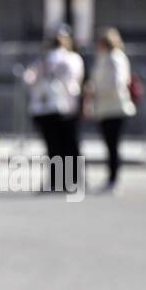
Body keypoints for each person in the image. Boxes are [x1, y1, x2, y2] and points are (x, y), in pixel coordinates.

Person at [23, 26, 84, 194]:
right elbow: (75, 82)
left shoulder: (43, 60)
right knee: (69, 147)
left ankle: (56, 181)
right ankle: (71, 182)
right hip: (67, 107)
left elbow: (28, 79)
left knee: (53, 148)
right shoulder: (72, 59)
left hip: (46, 109)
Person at [84, 27, 136, 195]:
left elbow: (117, 83)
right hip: (104, 108)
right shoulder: (103, 58)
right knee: (109, 146)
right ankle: (110, 178)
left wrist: (96, 90)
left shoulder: (116, 58)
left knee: (113, 146)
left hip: (115, 108)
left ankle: (114, 180)